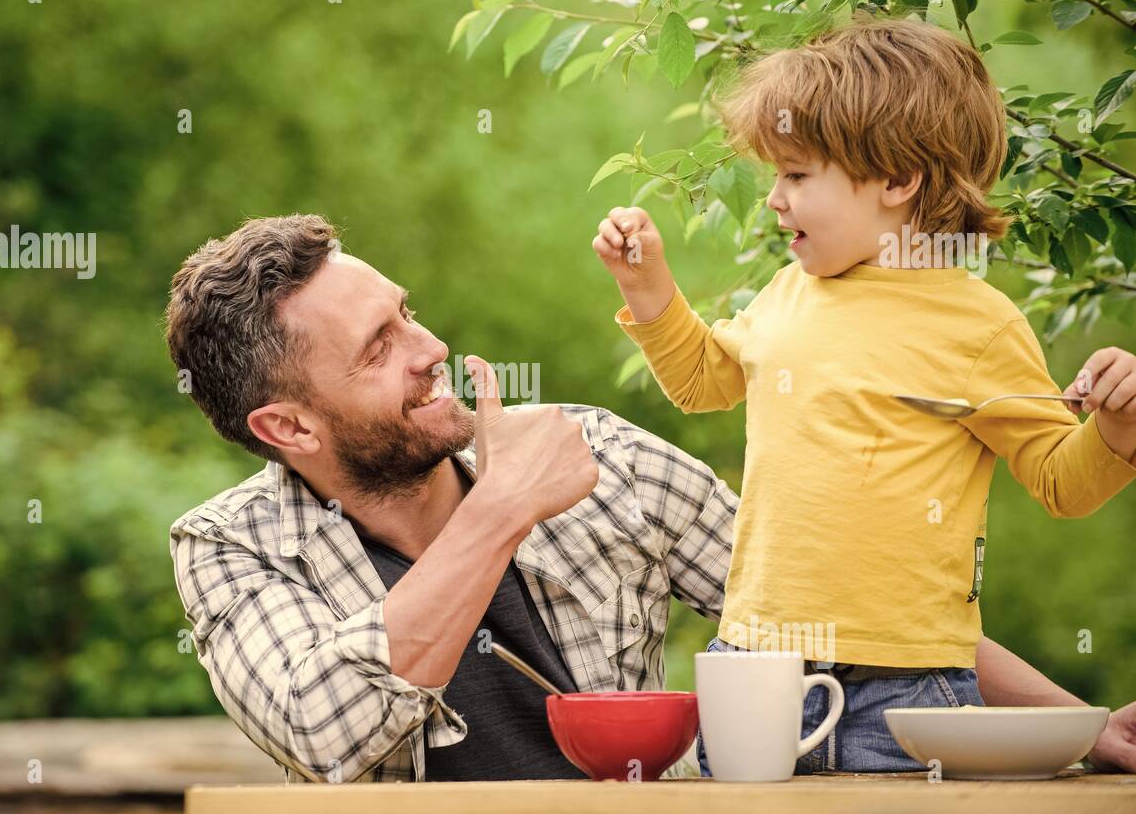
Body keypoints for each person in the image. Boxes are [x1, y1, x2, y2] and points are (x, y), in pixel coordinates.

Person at [165, 213, 1136, 782]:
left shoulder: (598, 452)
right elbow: (323, 728)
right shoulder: (228, 547)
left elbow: (841, 603)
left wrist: (1085, 728)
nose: (427, 350)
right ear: (288, 429)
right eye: (378, 349)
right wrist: (501, 508)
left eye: (406, 315)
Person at [592, 17, 1136, 775]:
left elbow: (1062, 481)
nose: (774, 200)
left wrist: (1118, 424)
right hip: (758, 669)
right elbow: (701, 380)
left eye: (797, 175)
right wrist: (647, 287)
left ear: (897, 180)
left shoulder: (978, 324)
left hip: (909, 694)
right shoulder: (789, 292)